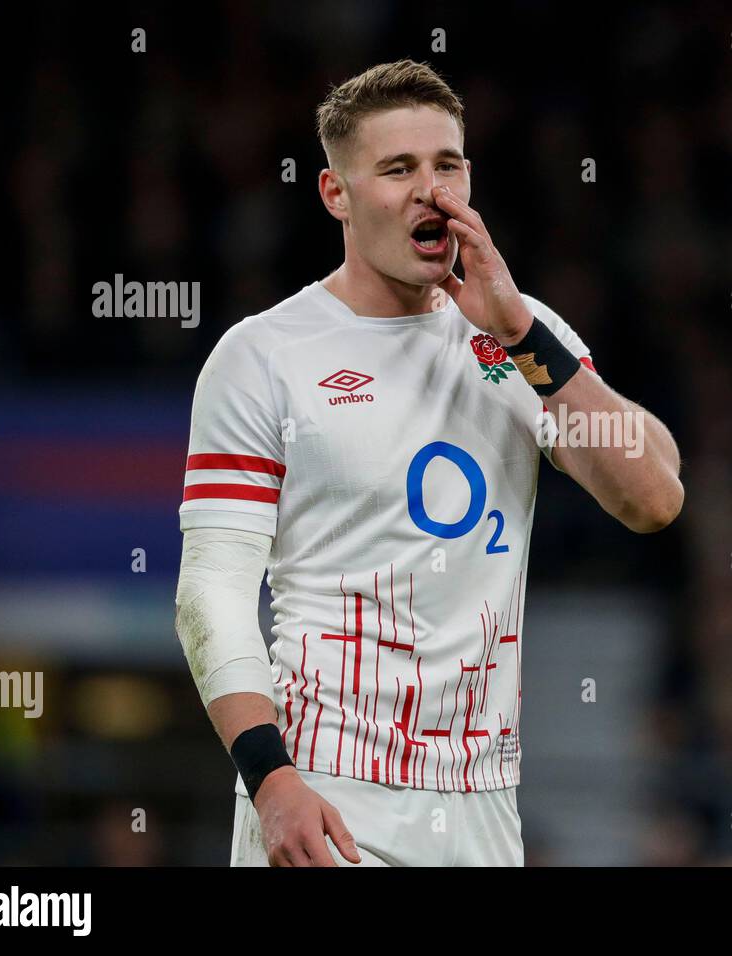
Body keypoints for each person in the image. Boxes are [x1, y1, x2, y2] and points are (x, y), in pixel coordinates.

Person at [173, 59, 683, 867]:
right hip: (326, 790)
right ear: (337, 194)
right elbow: (210, 593)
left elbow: (654, 496)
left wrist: (519, 333)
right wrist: (270, 780)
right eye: (398, 169)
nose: (430, 190)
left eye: (447, 165)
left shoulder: (520, 335)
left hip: (483, 803)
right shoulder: (263, 356)